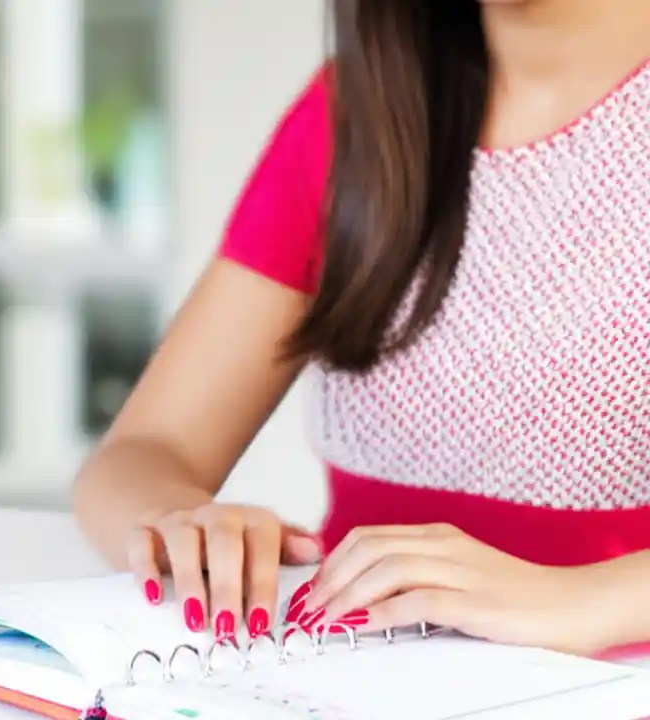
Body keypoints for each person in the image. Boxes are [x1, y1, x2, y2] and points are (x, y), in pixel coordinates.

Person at [73, 0, 650, 657]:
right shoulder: (354, 117)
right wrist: (178, 520)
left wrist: (581, 599)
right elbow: (144, 449)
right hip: (348, 682)